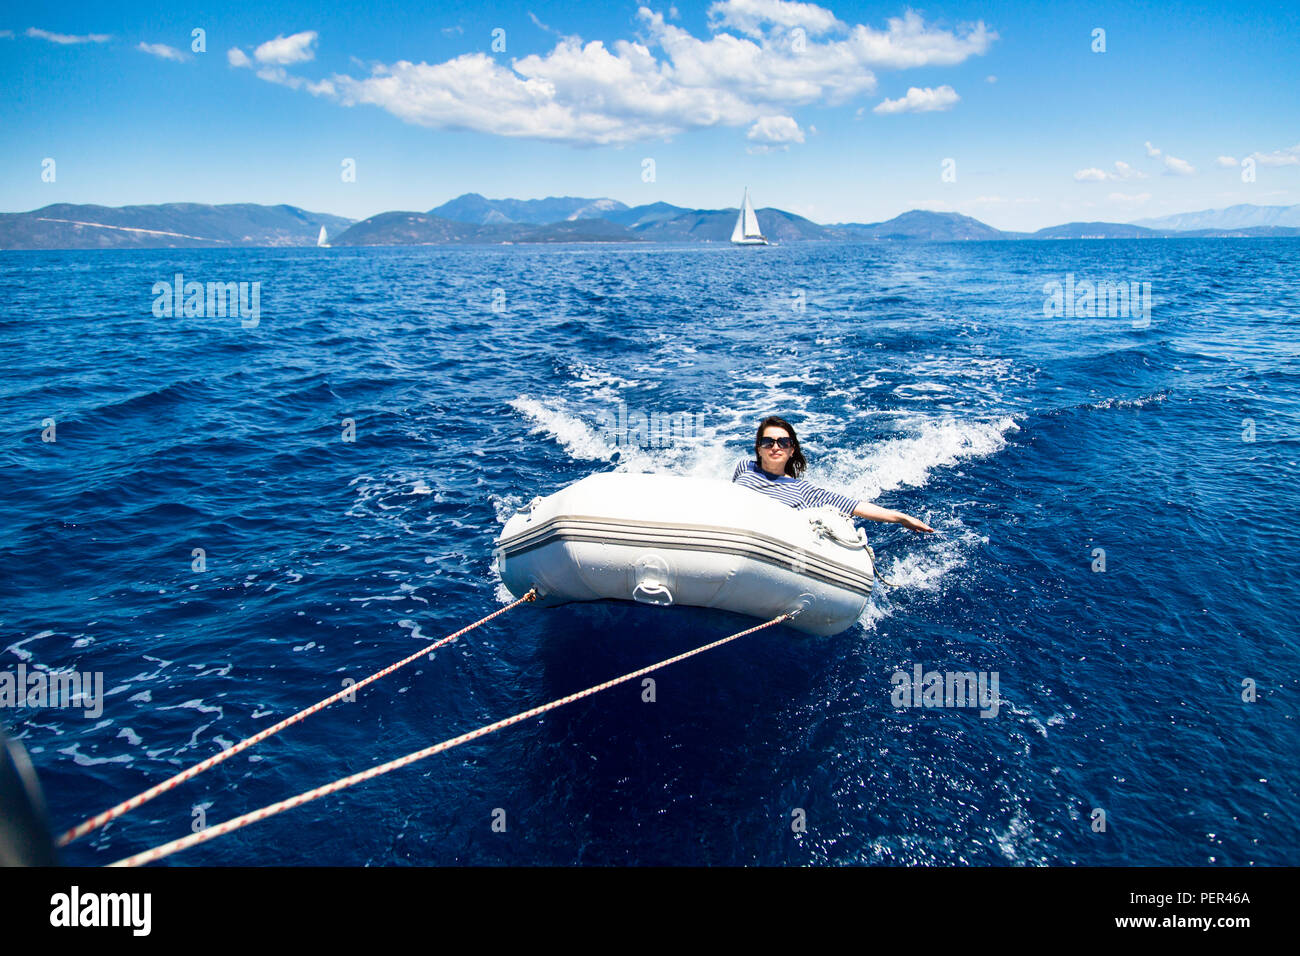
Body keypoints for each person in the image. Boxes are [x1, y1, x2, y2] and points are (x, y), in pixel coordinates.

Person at [732, 415, 934, 533]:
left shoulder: (803, 490)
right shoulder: (744, 467)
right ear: (758, 448)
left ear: (792, 450)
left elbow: (854, 506)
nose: (775, 447)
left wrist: (901, 518)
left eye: (783, 442)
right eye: (768, 442)